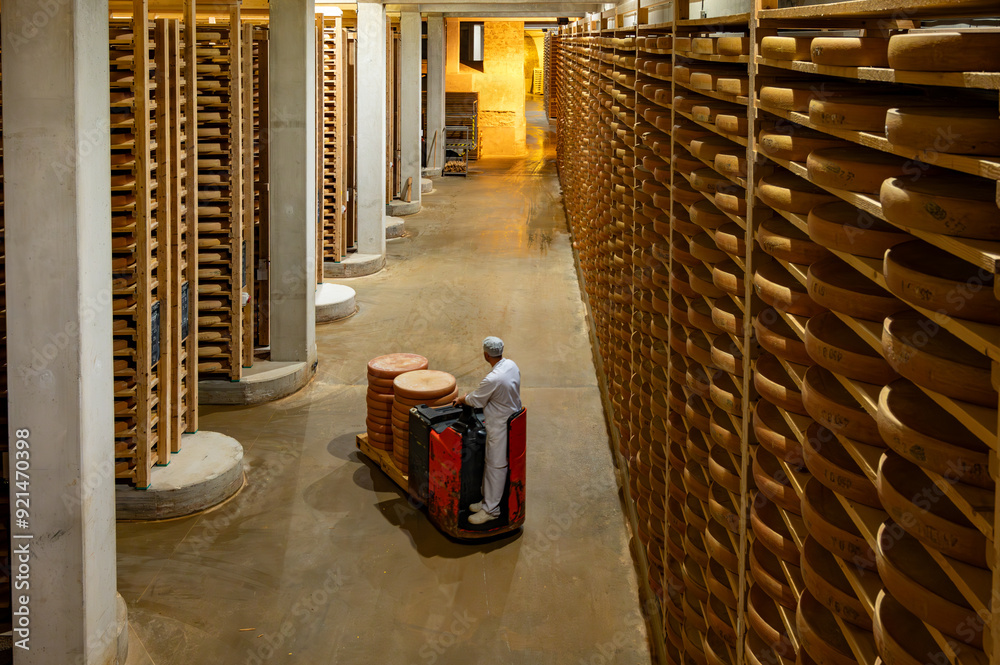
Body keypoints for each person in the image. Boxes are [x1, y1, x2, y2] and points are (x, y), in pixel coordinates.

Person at [454, 336, 522, 525]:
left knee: (495, 467)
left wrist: (462, 399)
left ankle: (491, 510)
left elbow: (476, 400)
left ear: (485, 354)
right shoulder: (511, 365)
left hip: (500, 425)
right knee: (491, 463)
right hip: (511, 419)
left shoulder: (493, 378)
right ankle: (486, 501)